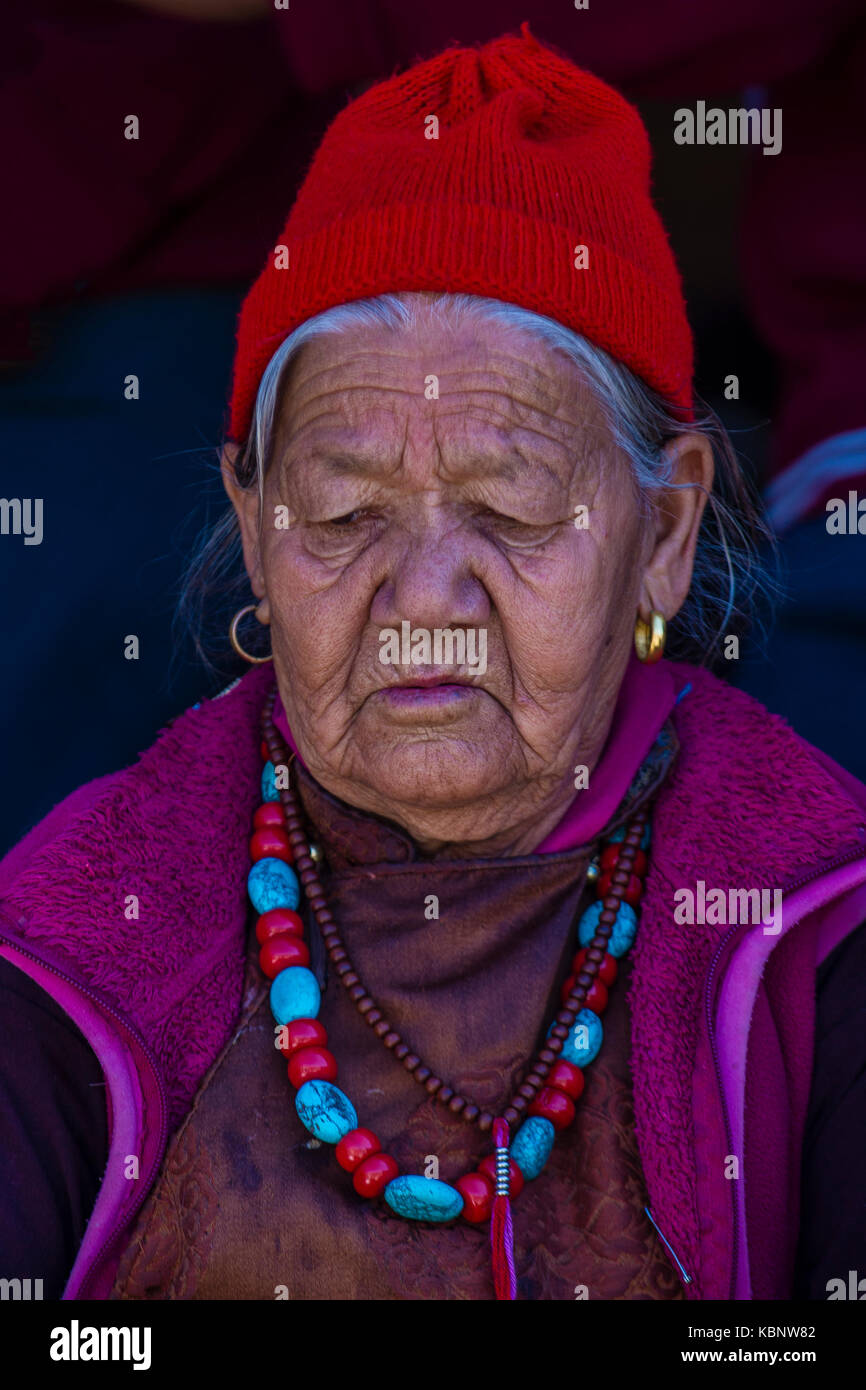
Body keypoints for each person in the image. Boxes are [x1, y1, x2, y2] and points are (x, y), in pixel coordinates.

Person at [1, 27, 865, 1302]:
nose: (421, 597)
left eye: (512, 513)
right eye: (343, 515)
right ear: (251, 522)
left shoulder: (811, 918)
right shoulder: (81, 929)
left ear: (665, 534)